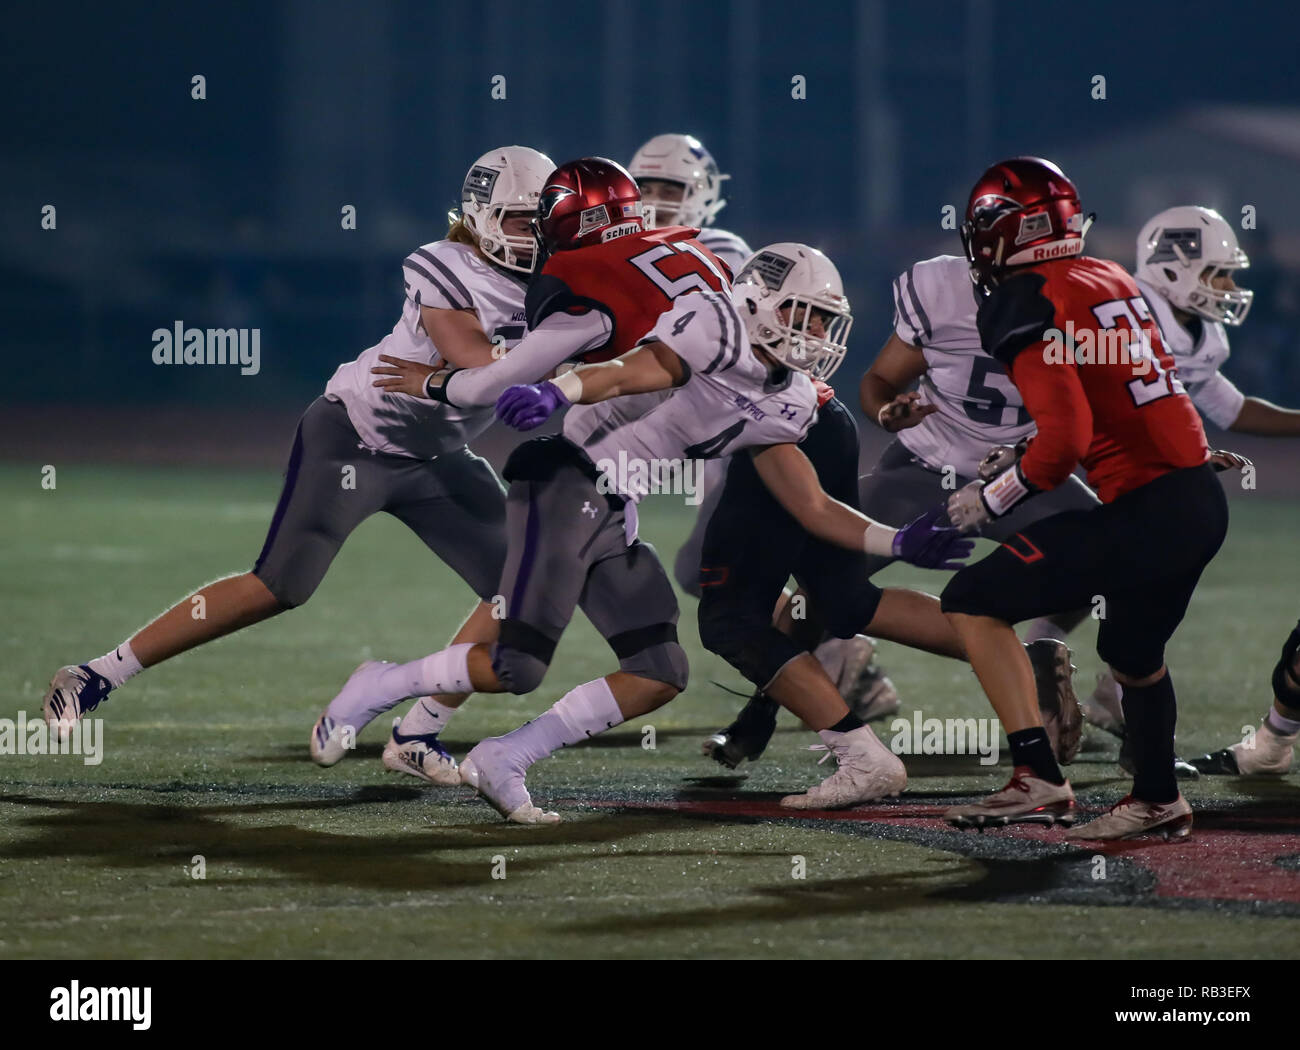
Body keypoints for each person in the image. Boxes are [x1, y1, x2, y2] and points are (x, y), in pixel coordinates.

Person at [41, 147, 555, 792]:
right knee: (279, 585)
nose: (528, 236)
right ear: (479, 216)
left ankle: (416, 732)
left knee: (519, 588)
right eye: (514, 219)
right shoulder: (441, 261)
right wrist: (558, 354)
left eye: (539, 221)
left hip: (439, 458)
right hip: (355, 438)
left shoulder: (553, 279)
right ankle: (97, 673)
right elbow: (476, 367)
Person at [937, 157, 1234, 841]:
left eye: (986, 222)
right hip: (1194, 502)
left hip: (1148, 511)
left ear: (1015, 227)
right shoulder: (1106, 276)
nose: (978, 236)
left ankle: (1035, 773)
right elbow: (1118, 398)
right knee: (1132, 652)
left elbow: (1067, 437)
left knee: (971, 600)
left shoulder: (1025, 295)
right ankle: (1159, 797)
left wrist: (998, 492)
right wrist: (1024, 455)